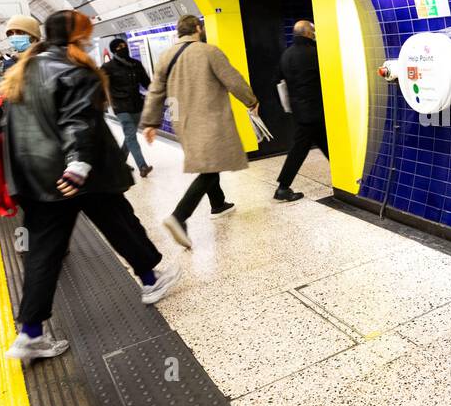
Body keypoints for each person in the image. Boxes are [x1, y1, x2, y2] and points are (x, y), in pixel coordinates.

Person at [0, 11, 180, 360]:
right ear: (77, 36)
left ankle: (31, 333)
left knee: (44, 252)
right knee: (121, 223)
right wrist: (78, 165)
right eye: (87, 33)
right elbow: (77, 121)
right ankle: (150, 279)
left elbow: (16, 129)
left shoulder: (24, 70)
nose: (90, 39)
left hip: (38, 179)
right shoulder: (74, 70)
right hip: (81, 176)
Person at [140, 15, 260, 249]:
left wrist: (150, 122)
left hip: (183, 122)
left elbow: (155, 92)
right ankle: (179, 217)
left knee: (208, 163)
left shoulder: (166, 56)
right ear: (198, 28)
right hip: (208, 120)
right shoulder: (208, 51)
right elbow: (233, 80)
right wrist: (251, 100)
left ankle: (219, 204)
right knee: (210, 168)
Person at [273, 20, 330, 202]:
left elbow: (278, 81)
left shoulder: (286, 55)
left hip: (299, 111)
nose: (314, 35)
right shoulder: (315, 53)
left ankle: (349, 177)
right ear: (307, 33)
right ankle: (282, 188)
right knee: (301, 150)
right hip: (316, 111)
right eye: (313, 32)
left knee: (327, 145)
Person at [101, 38, 152, 178]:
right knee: (131, 135)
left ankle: (120, 162)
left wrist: (158, 95)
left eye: (124, 45)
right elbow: (101, 87)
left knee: (130, 136)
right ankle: (142, 166)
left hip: (136, 105)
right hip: (120, 107)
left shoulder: (136, 64)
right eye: (119, 47)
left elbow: (147, 83)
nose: (123, 48)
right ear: (113, 50)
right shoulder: (107, 68)